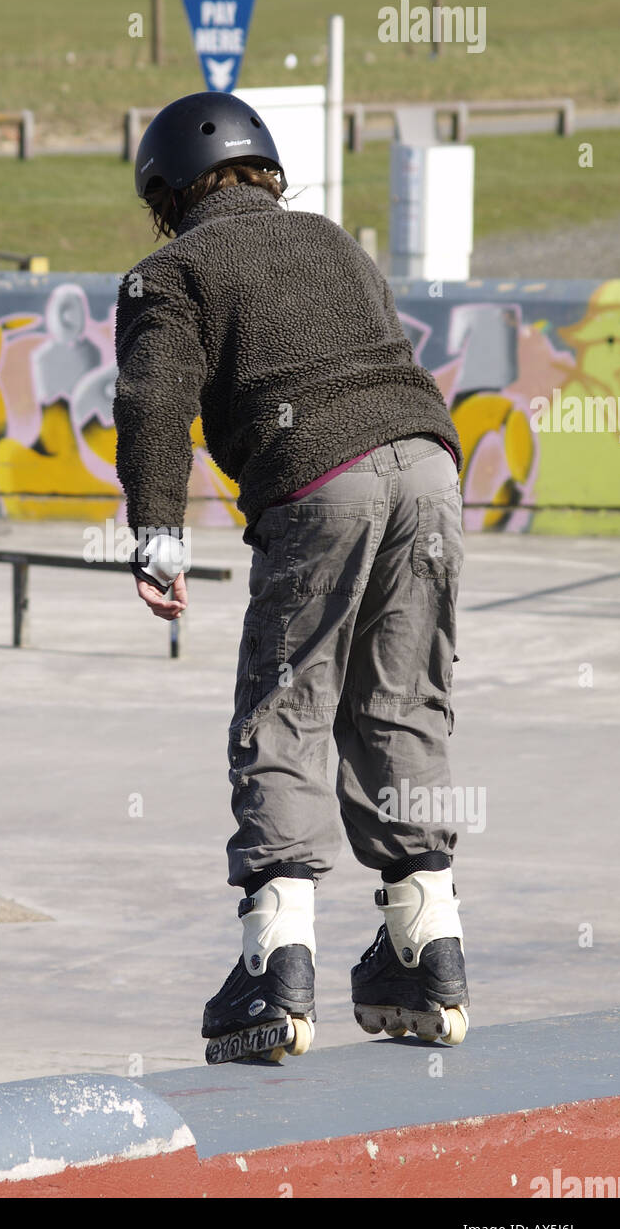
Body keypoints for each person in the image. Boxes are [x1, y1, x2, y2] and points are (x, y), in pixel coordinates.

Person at [113, 91, 469, 1064]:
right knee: (403, 705)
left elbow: (151, 401)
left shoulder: (169, 271)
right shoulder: (332, 239)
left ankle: (274, 968)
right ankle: (423, 948)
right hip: (432, 468)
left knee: (285, 705)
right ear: (265, 169)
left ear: (164, 195)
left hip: (318, 478)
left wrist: (154, 532)